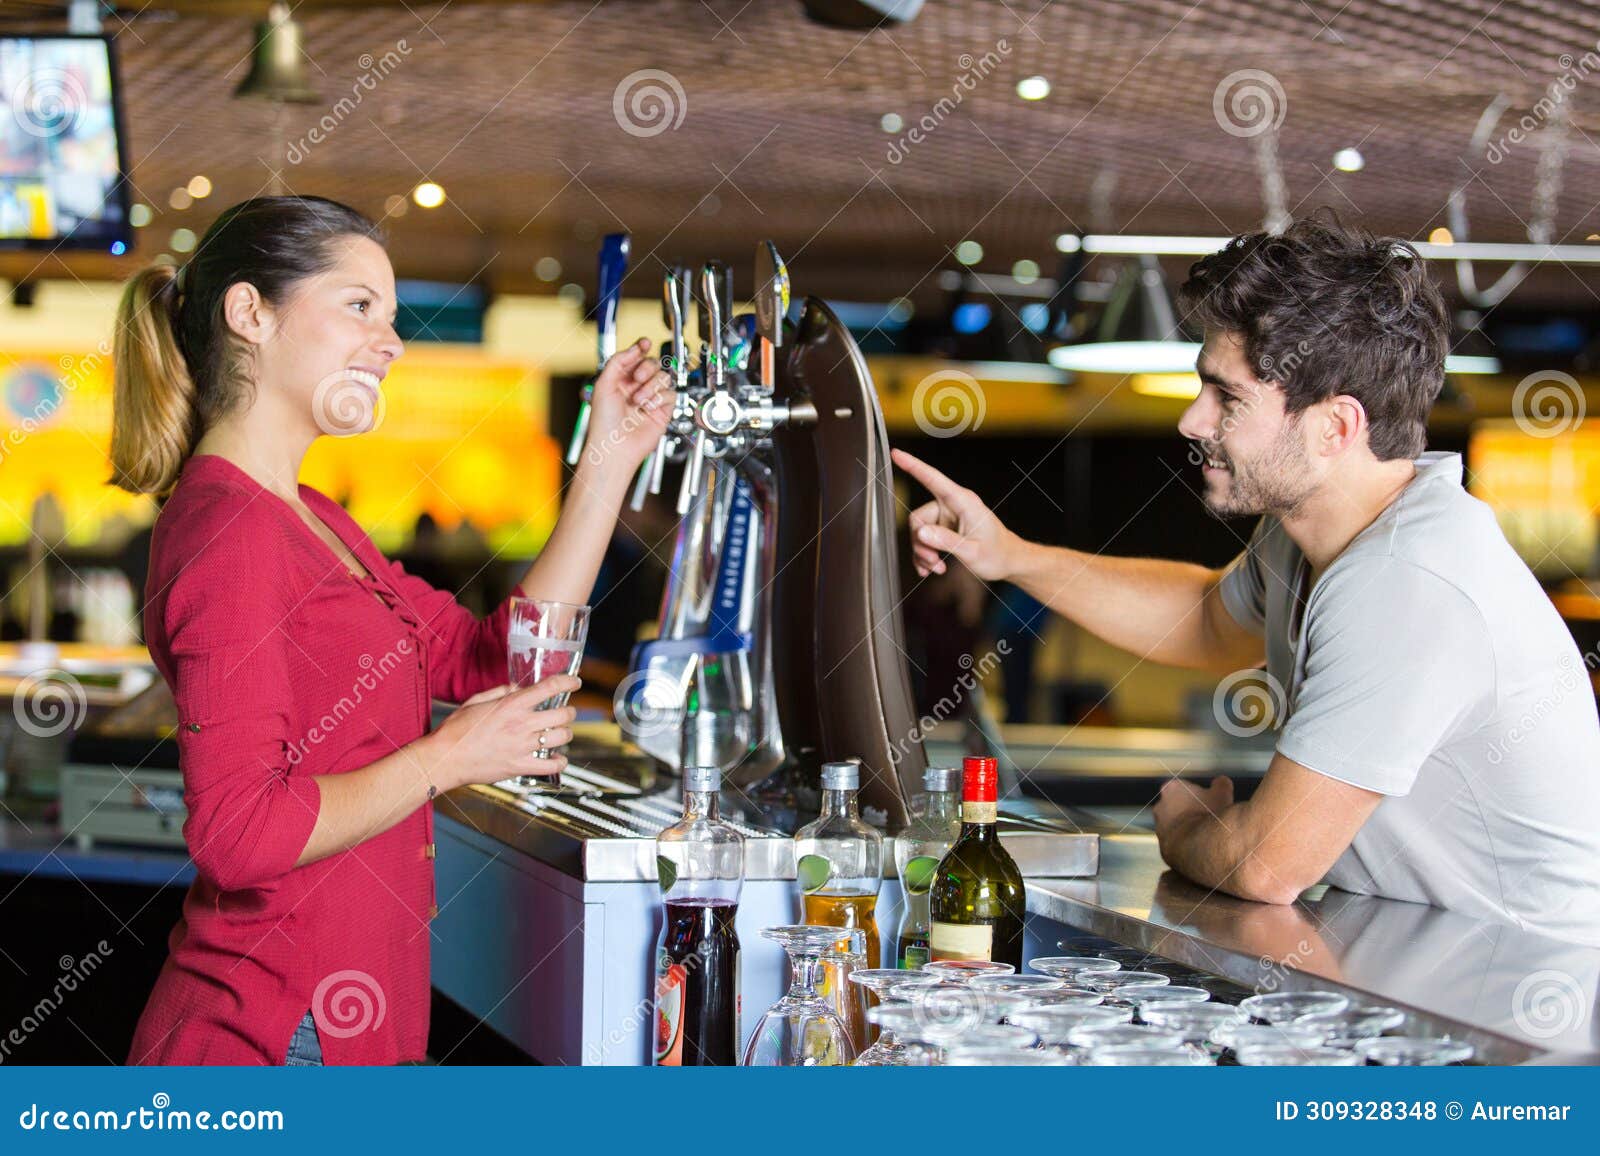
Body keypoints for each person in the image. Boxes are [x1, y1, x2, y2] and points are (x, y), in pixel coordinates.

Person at [894, 215, 1600, 947]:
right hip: (1417, 962)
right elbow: (1204, 619)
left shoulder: (1407, 581)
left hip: (1519, 1009)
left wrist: (1190, 828)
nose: (1192, 421)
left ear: (1334, 427)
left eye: (1226, 397)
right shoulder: (1311, 532)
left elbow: (1266, 866)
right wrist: (1010, 555)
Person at [112, 196, 670, 1064]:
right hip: (273, 1032)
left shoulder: (315, 519)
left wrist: (608, 461)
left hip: (351, 1022)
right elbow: (239, 834)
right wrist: (449, 760)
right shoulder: (233, 534)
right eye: (359, 306)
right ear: (250, 313)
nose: (392, 341)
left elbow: (490, 657)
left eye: (391, 315)